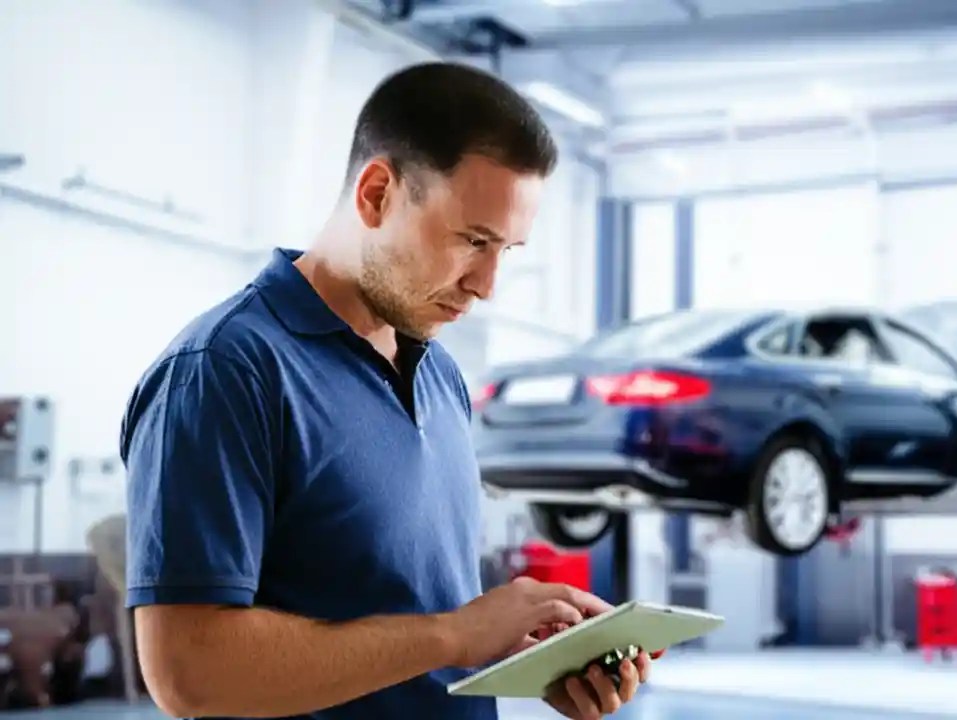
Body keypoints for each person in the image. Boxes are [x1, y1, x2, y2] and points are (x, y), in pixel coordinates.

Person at [118, 62, 652, 720]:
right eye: (472, 241)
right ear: (376, 194)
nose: (486, 284)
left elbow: (407, 624)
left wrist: (526, 660)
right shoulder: (223, 371)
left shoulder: (439, 373)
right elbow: (188, 673)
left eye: (507, 250)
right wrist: (455, 636)